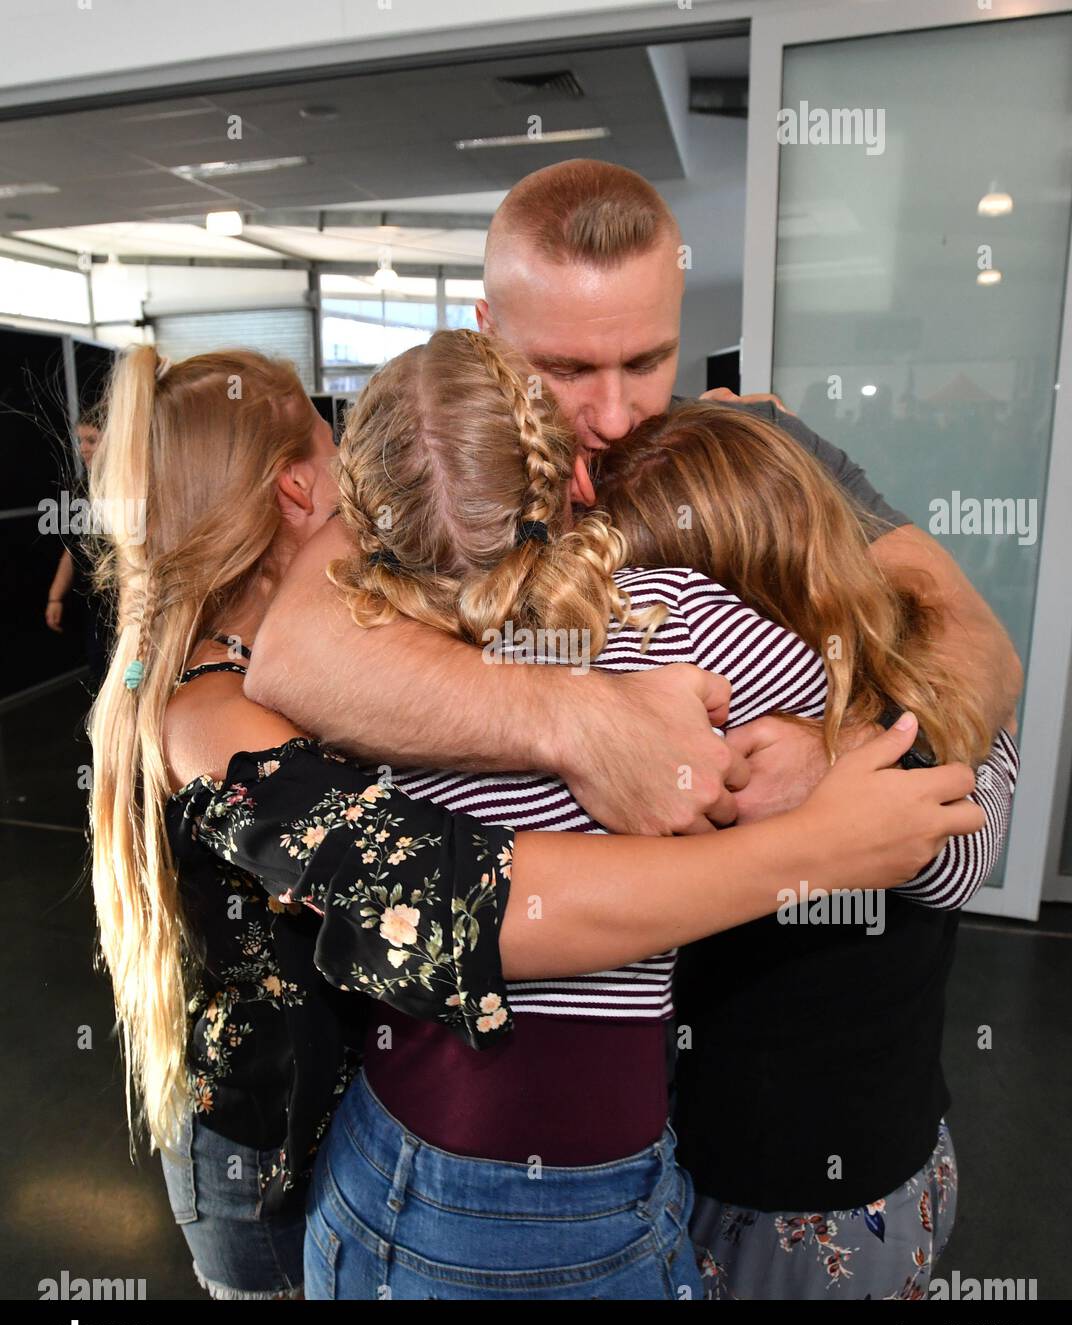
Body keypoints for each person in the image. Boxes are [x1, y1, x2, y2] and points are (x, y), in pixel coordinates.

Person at [87, 345, 966, 1301]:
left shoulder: (380, 639)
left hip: (376, 1142)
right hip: (291, 1170)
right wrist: (810, 844)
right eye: (324, 437)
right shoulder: (212, 718)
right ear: (301, 490)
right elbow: (462, 911)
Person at [244, 159, 1021, 834]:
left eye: (648, 361)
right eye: (569, 369)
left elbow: (971, 635)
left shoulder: (749, 451)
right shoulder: (445, 468)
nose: (615, 417)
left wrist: (844, 751)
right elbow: (296, 658)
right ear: (488, 331)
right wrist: (582, 724)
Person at [591, 401, 1018, 1299]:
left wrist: (830, 770)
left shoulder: (695, 711)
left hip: (772, 1205)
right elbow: (978, 825)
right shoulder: (916, 665)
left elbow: (952, 855)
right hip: (894, 1164)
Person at [45, 411, 111, 690]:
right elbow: (72, 550)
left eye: (91, 440)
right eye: (80, 440)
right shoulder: (80, 489)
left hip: (130, 606)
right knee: (100, 674)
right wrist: (55, 597)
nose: (83, 448)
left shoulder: (134, 485)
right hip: (94, 607)